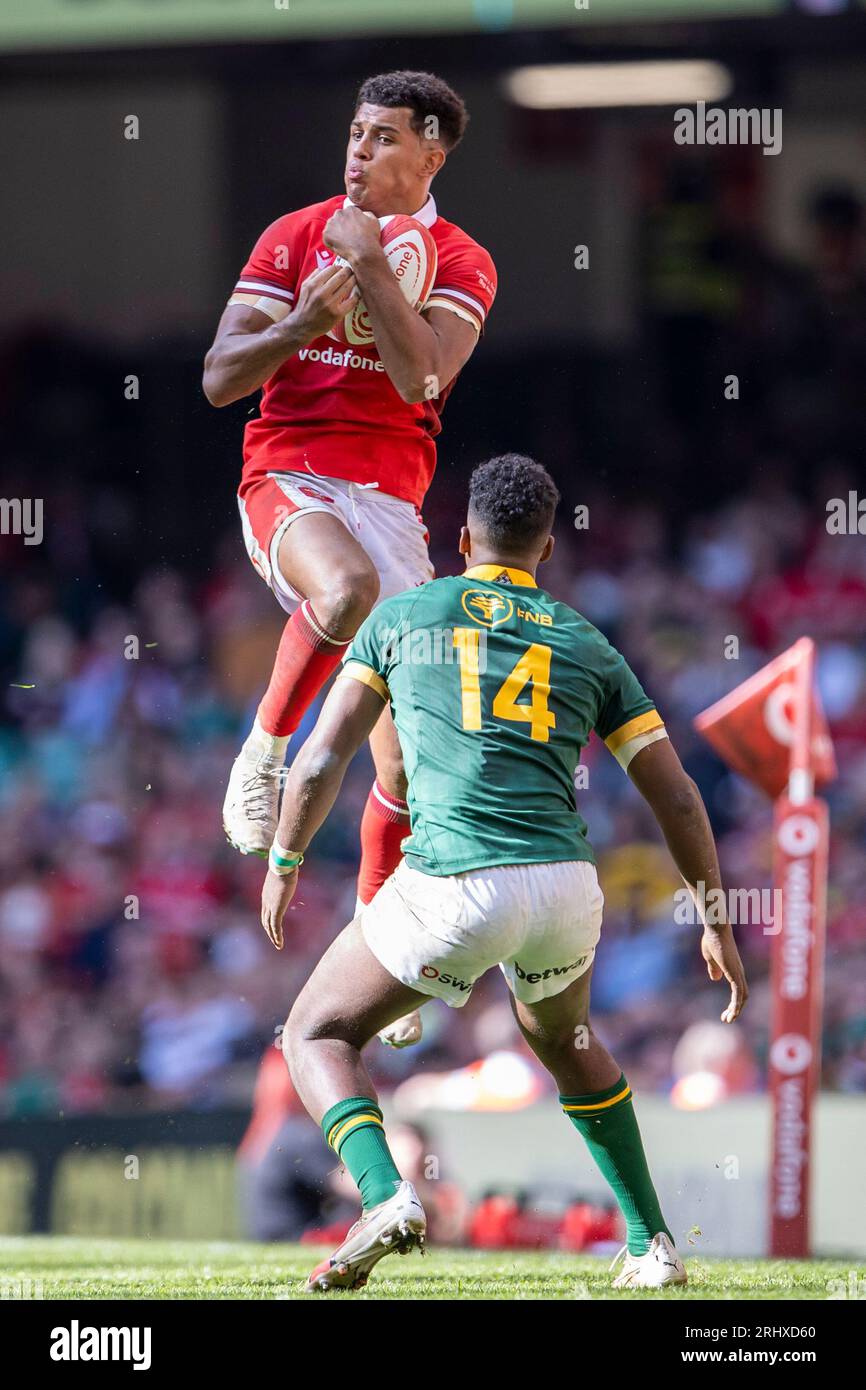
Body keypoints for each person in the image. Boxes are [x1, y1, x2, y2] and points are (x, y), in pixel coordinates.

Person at [259, 454, 749, 1293]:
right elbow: (677, 794)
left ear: (461, 537)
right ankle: (653, 1244)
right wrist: (715, 918)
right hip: (564, 887)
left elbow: (318, 763)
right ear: (547, 547)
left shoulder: (407, 614)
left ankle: (383, 1197)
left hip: (457, 879)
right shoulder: (584, 639)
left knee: (317, 1032)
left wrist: (283, 858)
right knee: (566, 1042)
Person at [202, 69, 497, 956]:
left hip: (392, 499)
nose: (360, 151)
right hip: (290, 474)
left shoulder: (465, 259)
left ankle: (384, 939)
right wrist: (299, 325)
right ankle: (260, 757)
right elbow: (220, 379)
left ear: (431, 152)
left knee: (407, 759)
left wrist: (369, 262)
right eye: (356, 134)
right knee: (346, 592)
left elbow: (423, 379)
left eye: (385, 138)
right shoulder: (294, 237)